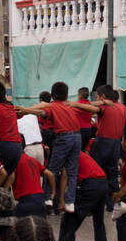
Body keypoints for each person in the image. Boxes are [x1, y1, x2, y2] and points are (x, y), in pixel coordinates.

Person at [17, 82, 83, 213]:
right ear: (66, 94)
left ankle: (47, 197)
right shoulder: (70, 106)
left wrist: (26, 110)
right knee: (72, 171)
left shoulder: (52, 106)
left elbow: (42, 112)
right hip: (77, 137)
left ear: (53, 95)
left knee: (52, 168)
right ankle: (70, 202)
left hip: (63, 137)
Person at [55, 149, 111, 241]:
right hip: (102, 184)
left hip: (90, 185)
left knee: (70, 218)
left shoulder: (67, 155)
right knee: (99, 221)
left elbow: (65, 176)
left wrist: (62, 201)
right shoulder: (81, 154)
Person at [11, 147, 54, 217]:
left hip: (25, 200)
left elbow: (11, 177)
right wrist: (53, 192)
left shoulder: (16, 161)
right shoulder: (33, 160)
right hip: (40, 199)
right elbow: (50, 175)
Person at [76, 87, 95, 151]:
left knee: (78, 149)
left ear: (80, 95)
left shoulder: (77, 104)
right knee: (85, 148)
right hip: (88, 129)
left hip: (80, 129)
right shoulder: (90, 104)